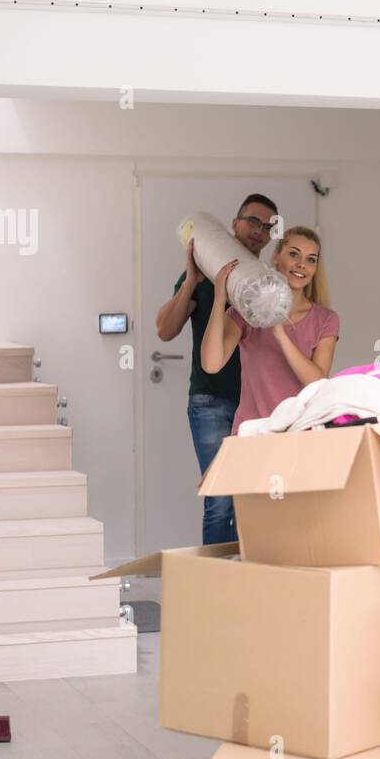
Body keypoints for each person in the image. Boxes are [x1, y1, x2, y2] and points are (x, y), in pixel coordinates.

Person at [155, 193, 278, 544]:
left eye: (267, 227)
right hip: (211, 400)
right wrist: (192, 279)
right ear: (234, 223)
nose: (259, 231)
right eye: (253, 221)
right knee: (220, 499)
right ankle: (215, 585)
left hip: (256, 405)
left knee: (254, 499)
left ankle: (246, 579)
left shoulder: (269, 284)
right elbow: (165, 330)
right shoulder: (205, 272)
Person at [200, 226, 339, 434]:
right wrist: (219, 297)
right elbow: (211, 364)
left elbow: (316, 382)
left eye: (311, 259)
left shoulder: (326, 319)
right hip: (251, 432)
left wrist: (280, 334)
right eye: (293, 254)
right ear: (276, 257)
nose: (302, 264)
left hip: (298, 432)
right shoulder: (246, 312)